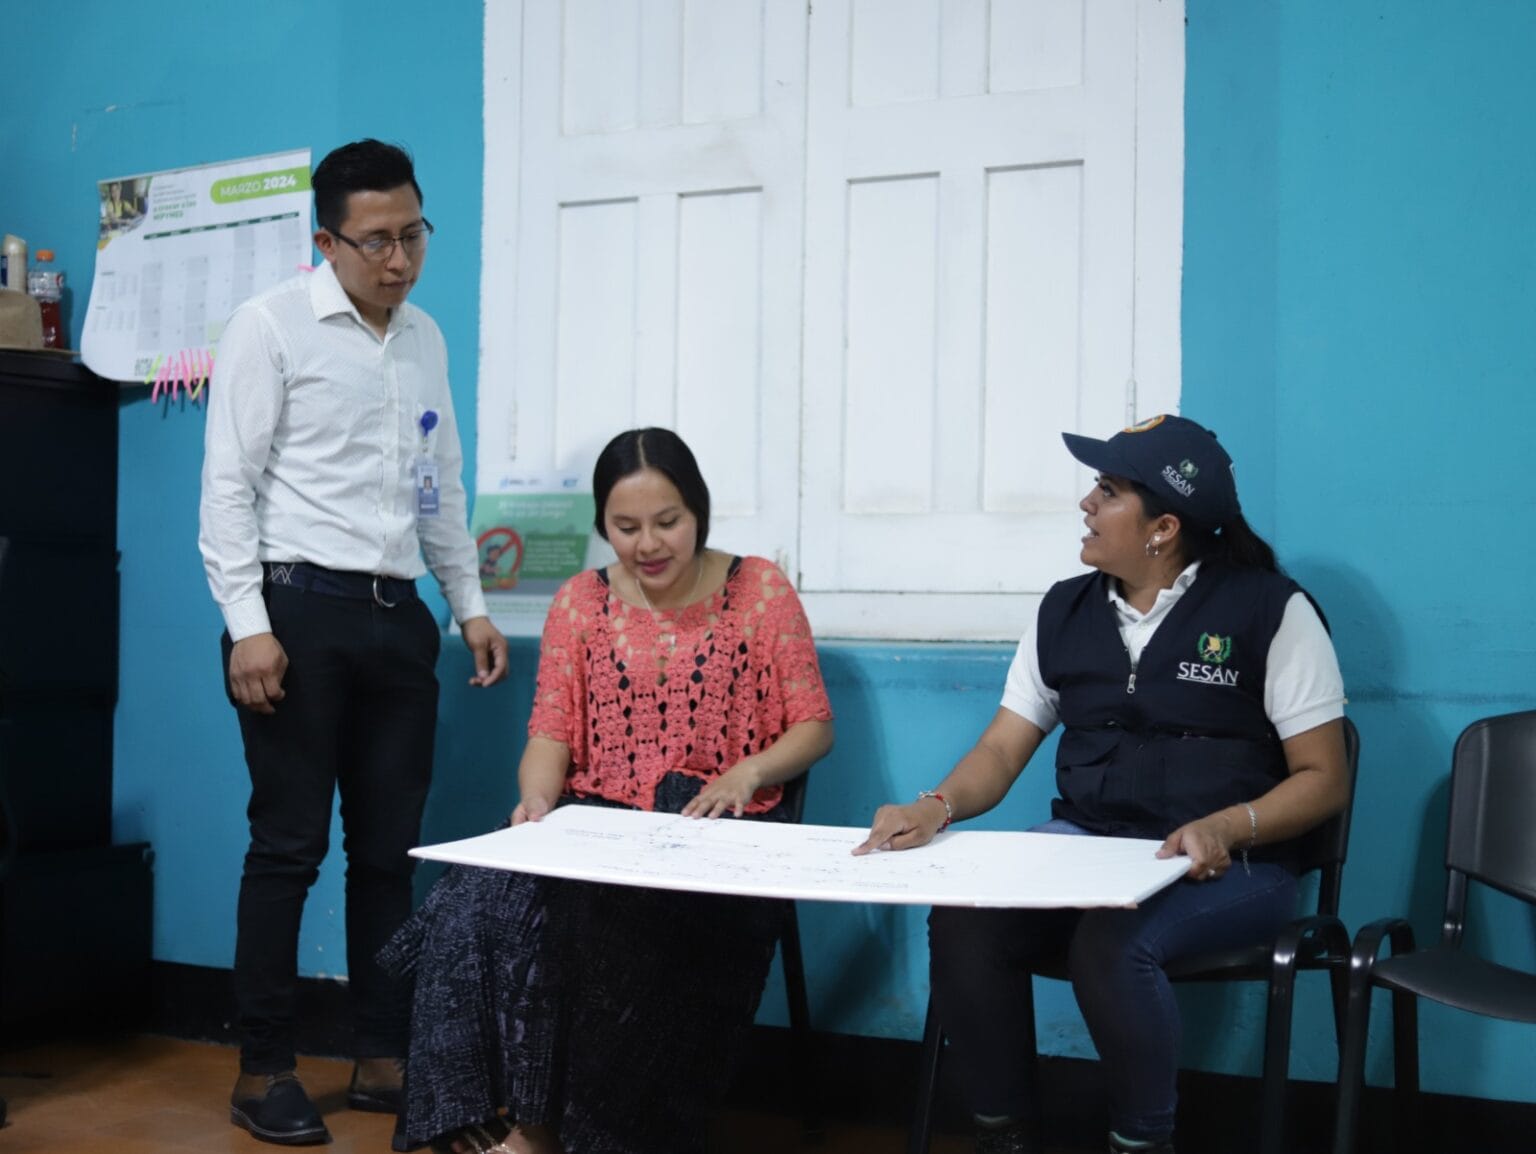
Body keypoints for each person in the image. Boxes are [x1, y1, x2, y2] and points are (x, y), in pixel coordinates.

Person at [856, 415, 1348, 1154]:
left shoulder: (1271, 611)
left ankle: (1142, 1143)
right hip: (1090, 851)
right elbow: (1001, 745)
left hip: (1232, 868)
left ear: (1164, 528)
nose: (1087, 504)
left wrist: (1228, 825)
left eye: (1109, 490)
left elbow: (1324, 778)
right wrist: (935, 806)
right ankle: (1005, 1132)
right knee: (966, 919)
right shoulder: (1065, 610)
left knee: (1112, 944)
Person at [380, 426, 835, 1154]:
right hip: (595, 821)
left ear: (699, 514)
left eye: (668, 523)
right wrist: (535, 803)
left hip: (716, 826)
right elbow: (550, 735)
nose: (649, 544)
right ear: (603, 526)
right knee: (470, 904)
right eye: (626, 528)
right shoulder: (579, 604)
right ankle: (471, 1120)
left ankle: (550, 1133)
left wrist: (745, 772)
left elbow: (812, 726)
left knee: (605, 924)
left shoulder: (759, 591)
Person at [199, 138, 510, 1146]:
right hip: (296, 612)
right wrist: (248, 625)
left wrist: (465, 602)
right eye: (375, 240)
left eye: (413, 233)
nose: (400, 258)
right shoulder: (270, 327)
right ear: (327, 240)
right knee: (287, 846)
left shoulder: (422, 339)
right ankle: (264, 1066)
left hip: (395, 616)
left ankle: (385, 1054)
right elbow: (228, 488)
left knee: (387, 853)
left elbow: (438, 483)